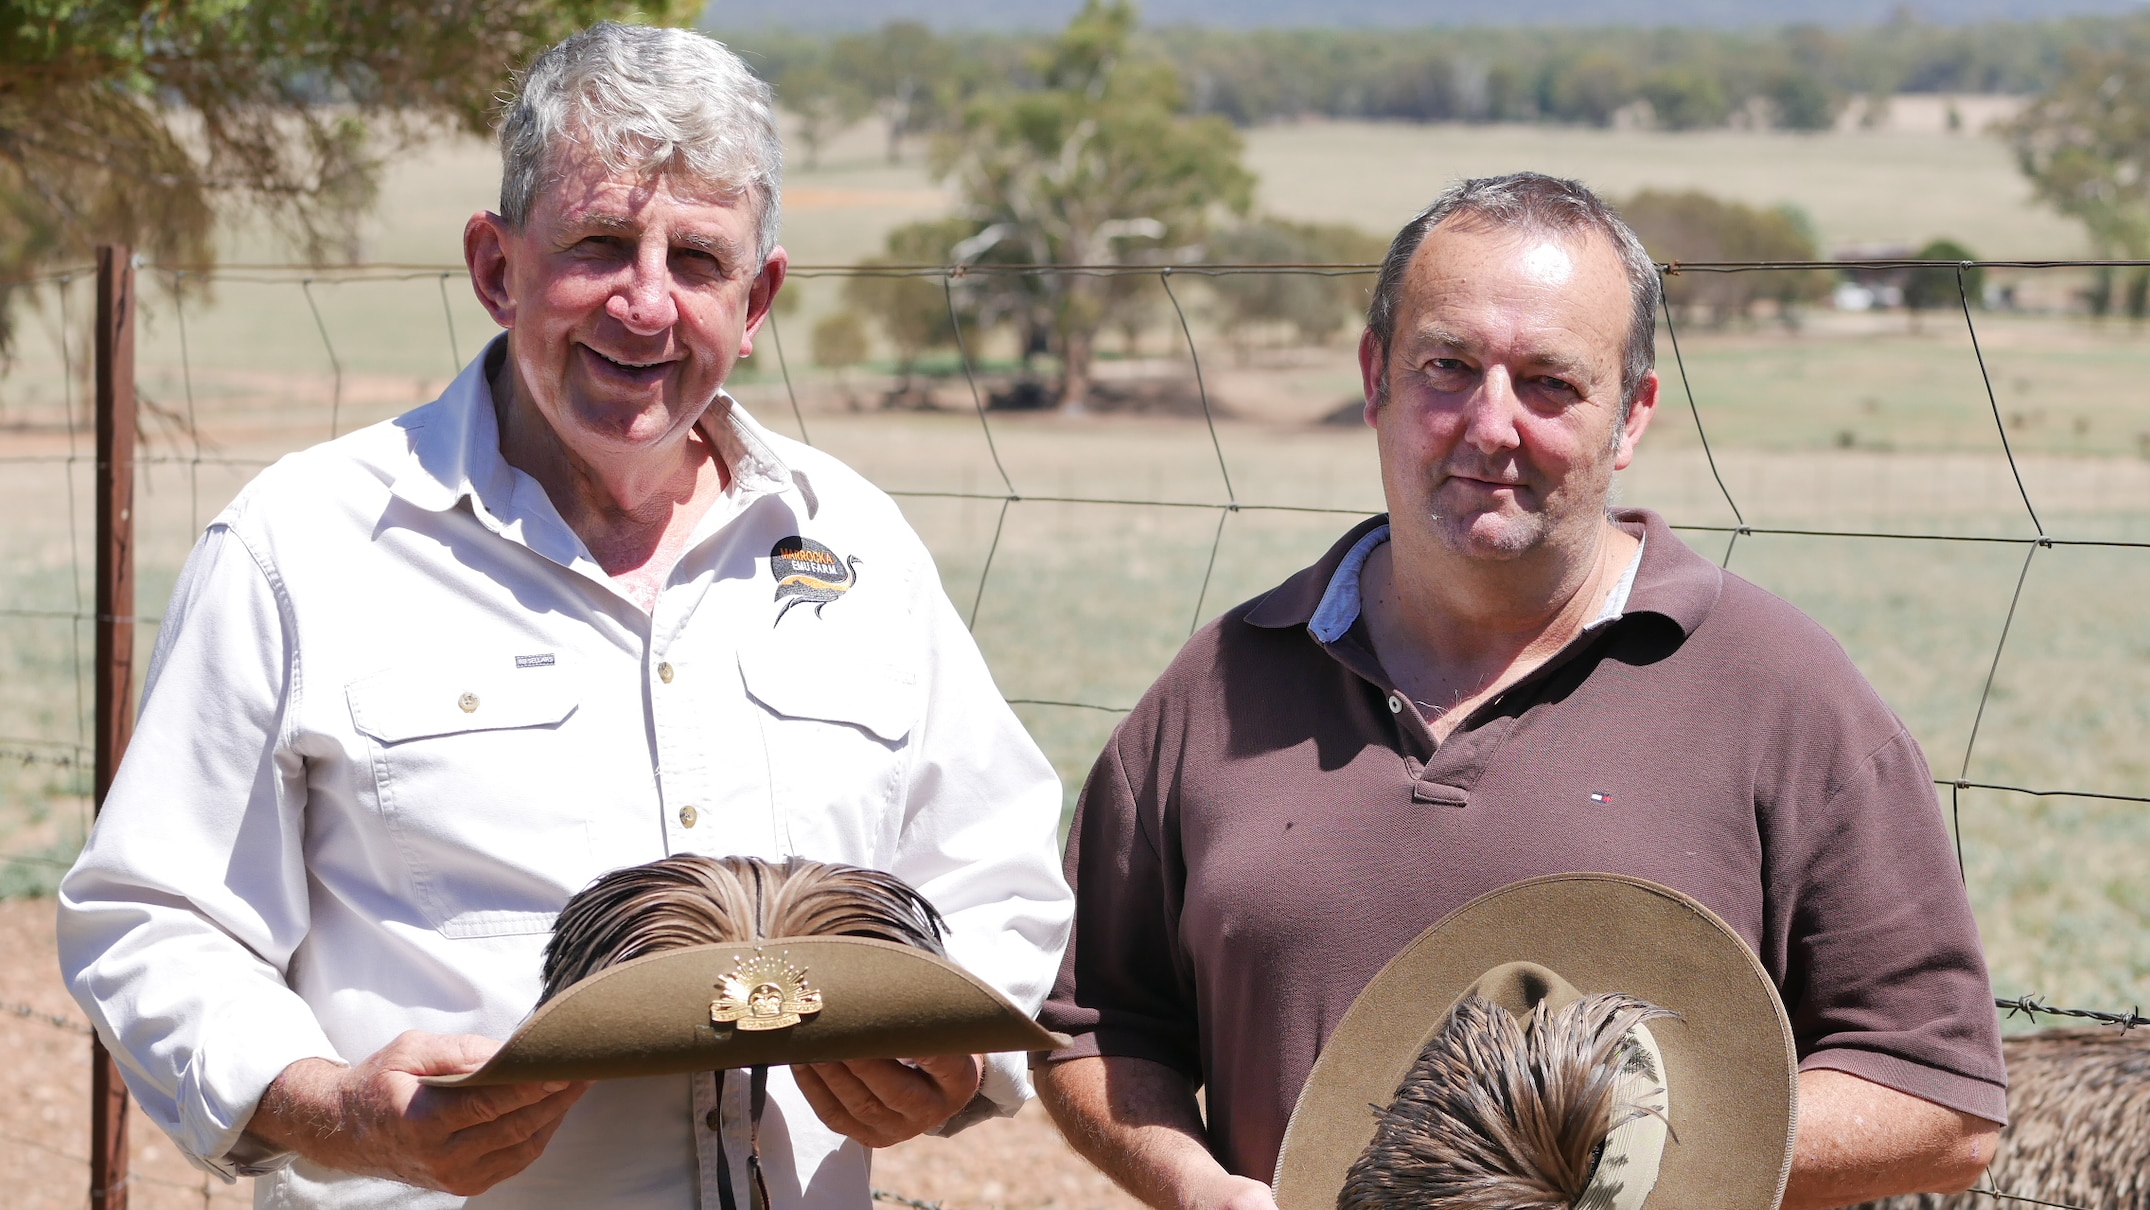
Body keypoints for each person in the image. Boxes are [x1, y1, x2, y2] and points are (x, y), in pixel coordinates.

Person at [58, 22, 1071, 1210]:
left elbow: (998, 878)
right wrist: (338, 1109)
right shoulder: (303, 545)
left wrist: (954, 1059)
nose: (645, 307)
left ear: (759, 300)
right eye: (597, 246)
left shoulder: (856, 547)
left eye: (697, 261)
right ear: (497, 267)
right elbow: (152, 920)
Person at [1034, 173, 2006, 1210]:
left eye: (1549, 382)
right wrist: (1189, 1183)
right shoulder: (1220, 683)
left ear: (1630, 417)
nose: (1490, 427)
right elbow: (1096, 1026)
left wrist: (1608, 1166)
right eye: (1447, 368)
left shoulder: (1784, 695)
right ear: (1375, 379)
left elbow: (1937, 1099)